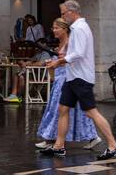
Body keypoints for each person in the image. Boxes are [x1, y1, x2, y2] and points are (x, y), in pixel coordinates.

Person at [46, 0, 116, 160]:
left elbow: (79, 53)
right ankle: (59, 146)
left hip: (81, 78)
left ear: (72, 12)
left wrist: (59, 61)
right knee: (63, 109)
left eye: (63, 13)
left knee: (91, 112)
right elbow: (76, 52)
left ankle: (113, 145)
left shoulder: (80, 29)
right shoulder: (77, 28)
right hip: (72, 76)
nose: (62, 17)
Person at [35, 19, 100, 152]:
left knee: (61, 109)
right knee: (66, 110)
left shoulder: (71, 42)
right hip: (60, 78)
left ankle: (52, 140)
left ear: (64, 29)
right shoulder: (61, 43)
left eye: (56, 28)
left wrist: (57, 62)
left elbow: (74, 60)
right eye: (53, 28)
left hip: (67, 78)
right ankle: (52, 138)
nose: (53, 30)